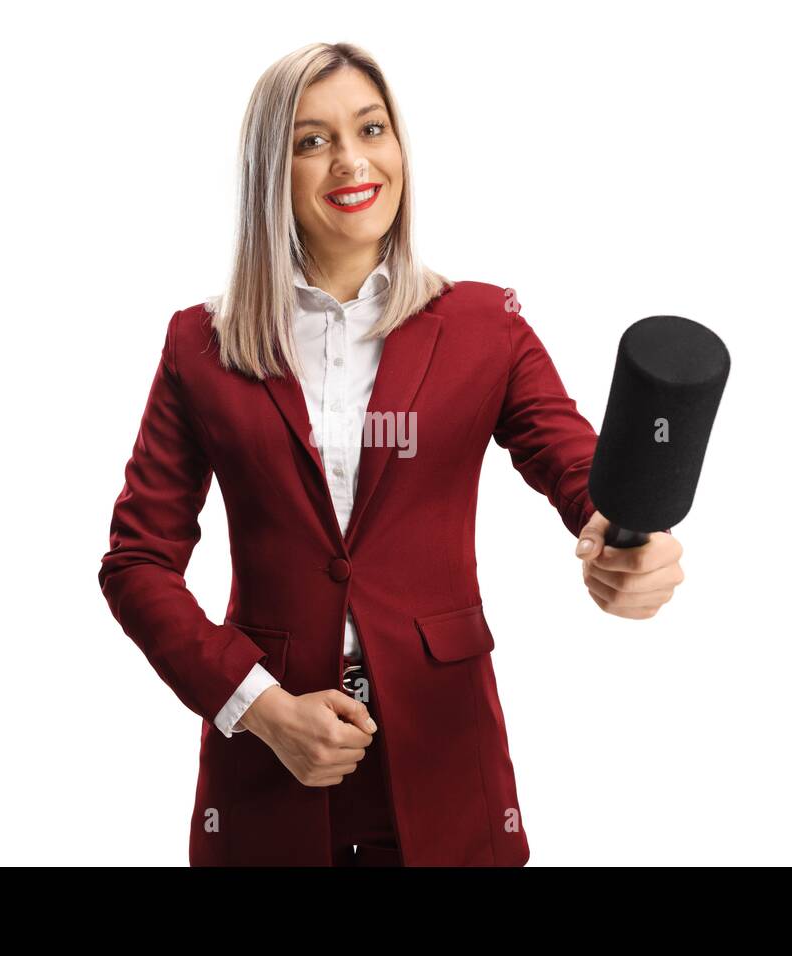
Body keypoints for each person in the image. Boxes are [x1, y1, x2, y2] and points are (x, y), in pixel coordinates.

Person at [97, 41, 685, 867]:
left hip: (448, 761)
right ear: (273, 168)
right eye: (312, 140)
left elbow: (577, 471)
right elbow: (137, 563)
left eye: (371, 128)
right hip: (268, 769)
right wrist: (259, 705)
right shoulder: (203, 343)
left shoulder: (488, 325)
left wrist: (625, 537)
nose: (351, 160)